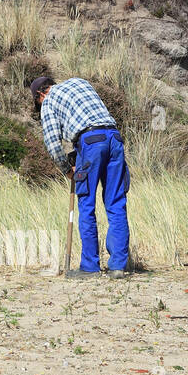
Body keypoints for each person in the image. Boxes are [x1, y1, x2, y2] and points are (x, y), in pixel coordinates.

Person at [30, 76, 131, 278]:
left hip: (91, 142)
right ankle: (118, 266)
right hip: (114, 138)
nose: (40, 106)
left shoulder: (49, 102)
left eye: (37, 103)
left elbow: (52, 142)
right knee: (116, 202)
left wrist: (67, 169)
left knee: (86, 204)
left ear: (41, 94)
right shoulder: (80, 82)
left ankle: (89, 267)